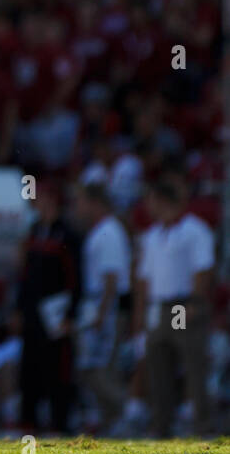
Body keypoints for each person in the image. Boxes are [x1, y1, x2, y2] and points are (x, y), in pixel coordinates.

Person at [135, 175, 215, 436]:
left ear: (162, 200)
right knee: (158, 366)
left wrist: (195, 301)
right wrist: (141, 312)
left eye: (152, 201)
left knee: (191, 363)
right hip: (159, 306)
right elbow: (145, 278)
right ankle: (162, 426)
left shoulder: (194, 230)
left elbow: (202, 269)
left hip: (182, 304)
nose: (148, 207)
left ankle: (201, 426)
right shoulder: (152, 236)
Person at [13, 182, 81, 434]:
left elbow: (76, 278)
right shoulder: (33, 232)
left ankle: (59, 423)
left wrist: (70, 313)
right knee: (29, 367)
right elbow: (24, 275)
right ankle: (28, 422)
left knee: (58, 367)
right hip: (32, 311)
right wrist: (18, 308)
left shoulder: (68, 234)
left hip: (56, 312)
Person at [71, 181, 130, 433]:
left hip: (106, 306)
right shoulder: (99, 231)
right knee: (89, 369)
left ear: (95, 203)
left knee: (98, 369)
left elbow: (111, 279)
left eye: (81, 201)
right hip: (96, 305)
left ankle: (127, 413)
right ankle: (111, 421)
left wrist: (102, 314)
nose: (77, 207)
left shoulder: (109, 232)